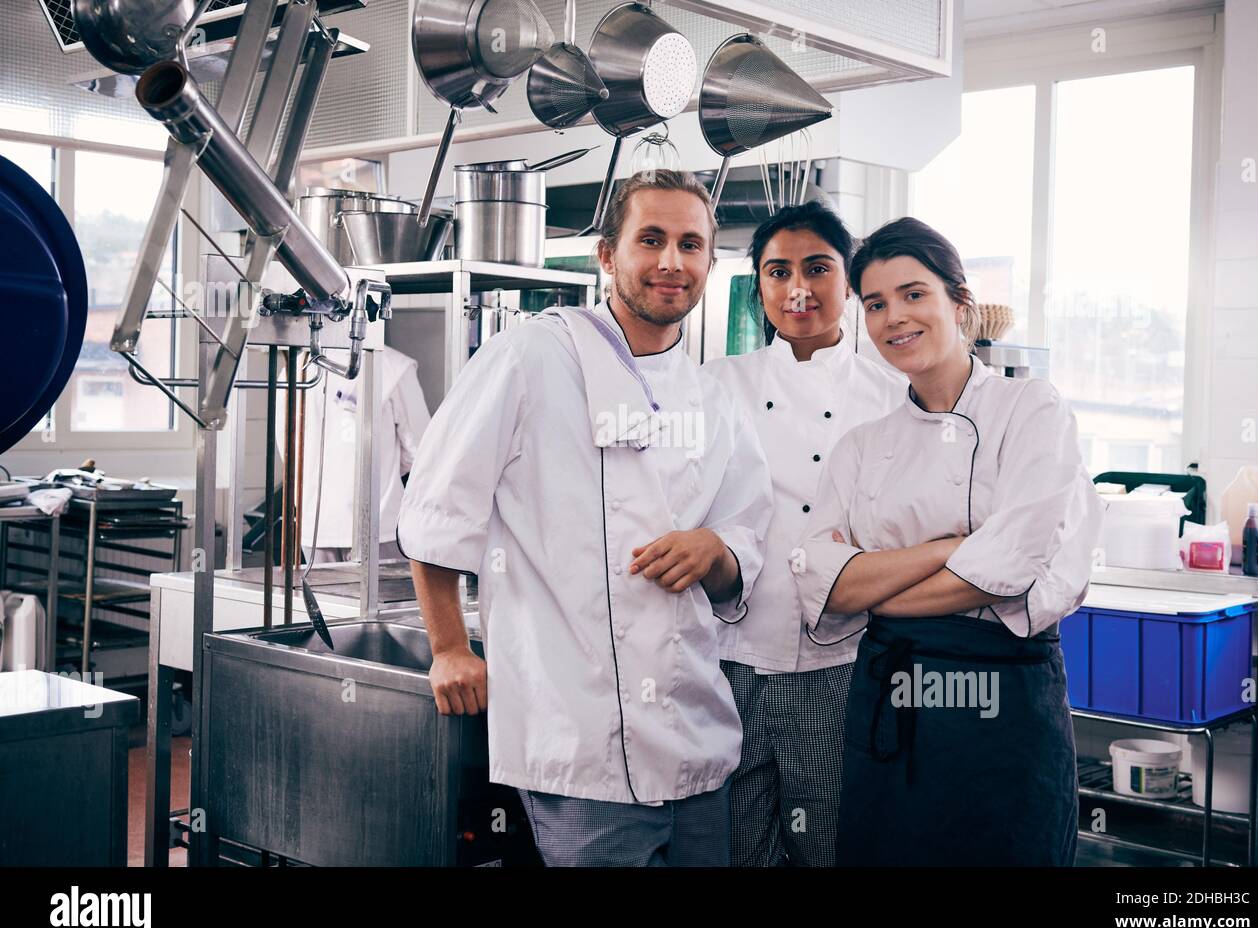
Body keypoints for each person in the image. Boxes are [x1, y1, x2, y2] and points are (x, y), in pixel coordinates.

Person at [397, 169, 773, 867]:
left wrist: (712, 549)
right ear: (607, 255)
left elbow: (746, 541)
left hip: (695, 739)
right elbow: (436, 507)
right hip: (580, 744)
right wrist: (450, 646)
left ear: (709, 265)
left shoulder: (711, 398)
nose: (671, 262)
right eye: (650, 239)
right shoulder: (533, 354)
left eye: (690, 245)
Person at [794, 217, 1103, 866]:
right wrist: (947, 548)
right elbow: (822, 582)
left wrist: (880, 589)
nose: (893, 318)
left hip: (1005, 701)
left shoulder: (1032, 411)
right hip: (893, 698)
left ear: (960, 304)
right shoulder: (861, 447)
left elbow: (1011, 567)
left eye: (913, 294)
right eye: (875, 304)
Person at [700, 202, 903, 866]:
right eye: (777, 271)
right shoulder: (716, 386)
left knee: (828, 848)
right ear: (757, 285)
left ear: (848, 280)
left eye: (818, 268)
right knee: (734, 848)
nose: (798, 289)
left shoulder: (894, 395)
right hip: (730, 658)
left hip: (842, 663)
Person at [277, 346, 430, 565]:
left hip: (316, 525)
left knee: (324, 599)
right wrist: (386, 469)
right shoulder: (393, 366)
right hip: (378, 524)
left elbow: (288, 451)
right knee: (381, 597)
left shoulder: (297, 367)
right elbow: (421, 452)